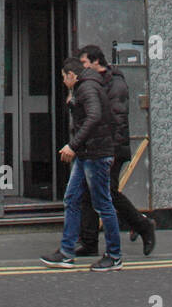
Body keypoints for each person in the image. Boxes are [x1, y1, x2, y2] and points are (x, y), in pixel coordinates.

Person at [40, 57, 122, 271]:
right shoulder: (85, 88)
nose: (63, 82)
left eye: (64, 78)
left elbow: (93, 117)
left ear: (71, 75)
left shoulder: (87, 88)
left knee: (103, 204)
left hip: (95, 154)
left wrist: (73, 145)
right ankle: (67, 253)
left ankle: (114, 256)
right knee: (72, 199)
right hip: (87, 153)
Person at [75, 45, 156, 256]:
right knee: (89, 193)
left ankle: (143, 225)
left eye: (83, 63)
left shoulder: (115, 84)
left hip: (112, 149)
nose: (81, 67)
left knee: (106, 192)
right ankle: (90, 243)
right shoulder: (95, 82)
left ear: (95, 62)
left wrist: (109, 152)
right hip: (96, 148)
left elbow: (116, 122)